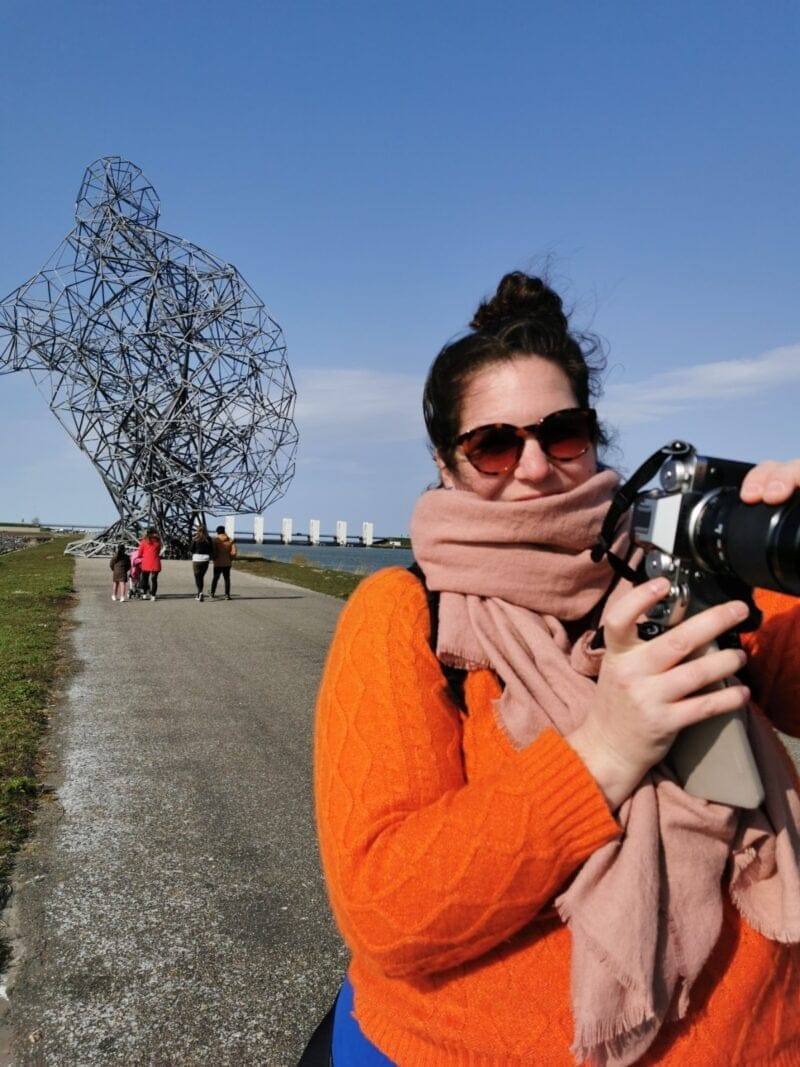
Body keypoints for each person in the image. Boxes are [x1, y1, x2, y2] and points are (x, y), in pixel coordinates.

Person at [313, 272, 800, 1066]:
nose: (535, 467)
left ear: (593, 435)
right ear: (448, 463)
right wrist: (603, 751)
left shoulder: (677, 571)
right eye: (495, 444)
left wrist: (767, 543)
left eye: (562, 433)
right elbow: (386, 910)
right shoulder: (403, 612)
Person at [210, 525, 237, 599]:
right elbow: (234, 552)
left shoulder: (215, 540)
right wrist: (230, 558)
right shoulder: (230, 540)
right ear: (224, 531)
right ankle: (227, 595)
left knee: (215, 578)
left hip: (218, 562)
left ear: (217, 532)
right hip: (227, 563)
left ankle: (212, 593)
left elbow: (213, 551)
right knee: (227, 579)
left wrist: (214, 557)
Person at [190, 524, 214, 602]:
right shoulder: (209, 539)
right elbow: (211, 550)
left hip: (197, 559)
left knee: (197, 577)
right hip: (205, 559)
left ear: (198, 530)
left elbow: (191, 549)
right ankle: (199, 592)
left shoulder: (195, 539)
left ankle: (200, 592)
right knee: (201, 577)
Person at [137, 527, 162, 601]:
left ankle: (144, 594)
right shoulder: (158, 542)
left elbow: (140, 553)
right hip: (155, 563)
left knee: (145, 579)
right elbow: (158, 551)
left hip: (146, 563)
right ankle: (153, 596)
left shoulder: (144, 541)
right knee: (154, 580)